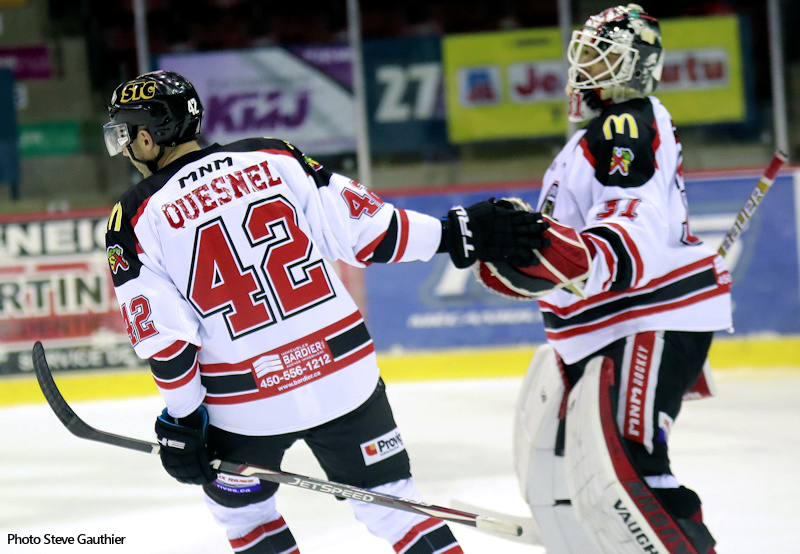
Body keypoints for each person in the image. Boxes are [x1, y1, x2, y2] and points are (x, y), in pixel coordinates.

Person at [102, 70, 547, 553]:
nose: (125, 148)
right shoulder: (271, 155)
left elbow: (169, 342)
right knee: (394, 504)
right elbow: (374, 231)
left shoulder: (134, 217)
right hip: (345, 377)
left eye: (126, 135)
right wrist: (454, 233)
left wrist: (183, 420)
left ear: (148, 137)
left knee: (246, 517)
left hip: (247, 407)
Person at [476, 5, 732, 553]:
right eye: (584, 54)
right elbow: (562, 253)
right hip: (608, 326)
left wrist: (584, 257)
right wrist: (521, 262)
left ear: (634, 64)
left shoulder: (627, 122)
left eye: (600, 56)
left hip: (646, 320)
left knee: (635, 472)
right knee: (599, 480)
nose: (584, 66)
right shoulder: (586, 142)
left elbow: (629, 219)